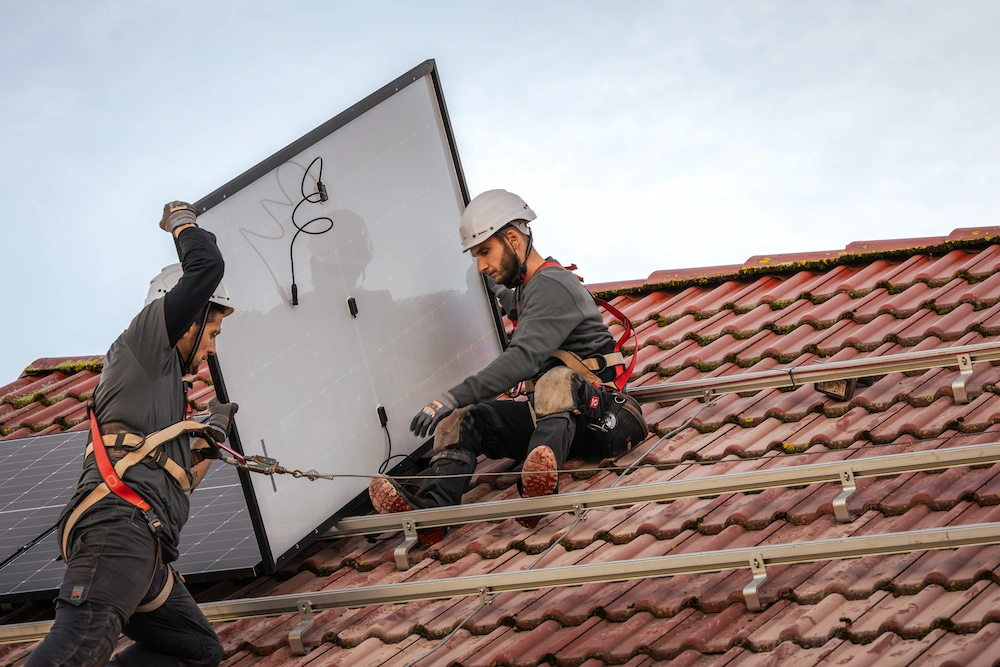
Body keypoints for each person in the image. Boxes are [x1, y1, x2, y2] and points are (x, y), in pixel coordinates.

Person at [27, 203, 238, 667]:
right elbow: (207, 266)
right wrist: (182, 219)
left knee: (198, 651)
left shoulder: (161, 397)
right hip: (118, 528)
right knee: (80, 646)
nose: (213, 346)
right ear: (187, 315)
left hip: (147, 544)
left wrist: (210, 436)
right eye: (212, 329)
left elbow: (180, 480)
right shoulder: (143, 342)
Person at [368, 189, 647, 541]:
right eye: (475, 257)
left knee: (553, 380)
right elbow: (509, 298)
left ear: (513, 239)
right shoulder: (531, 290)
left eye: (485, 251)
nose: (481, 264)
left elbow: (523, 358)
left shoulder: (552, 285)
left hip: (600, 417)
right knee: (465, 418)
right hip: (555, 423)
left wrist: (453, 395)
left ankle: (536, 487)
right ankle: (432, 513)